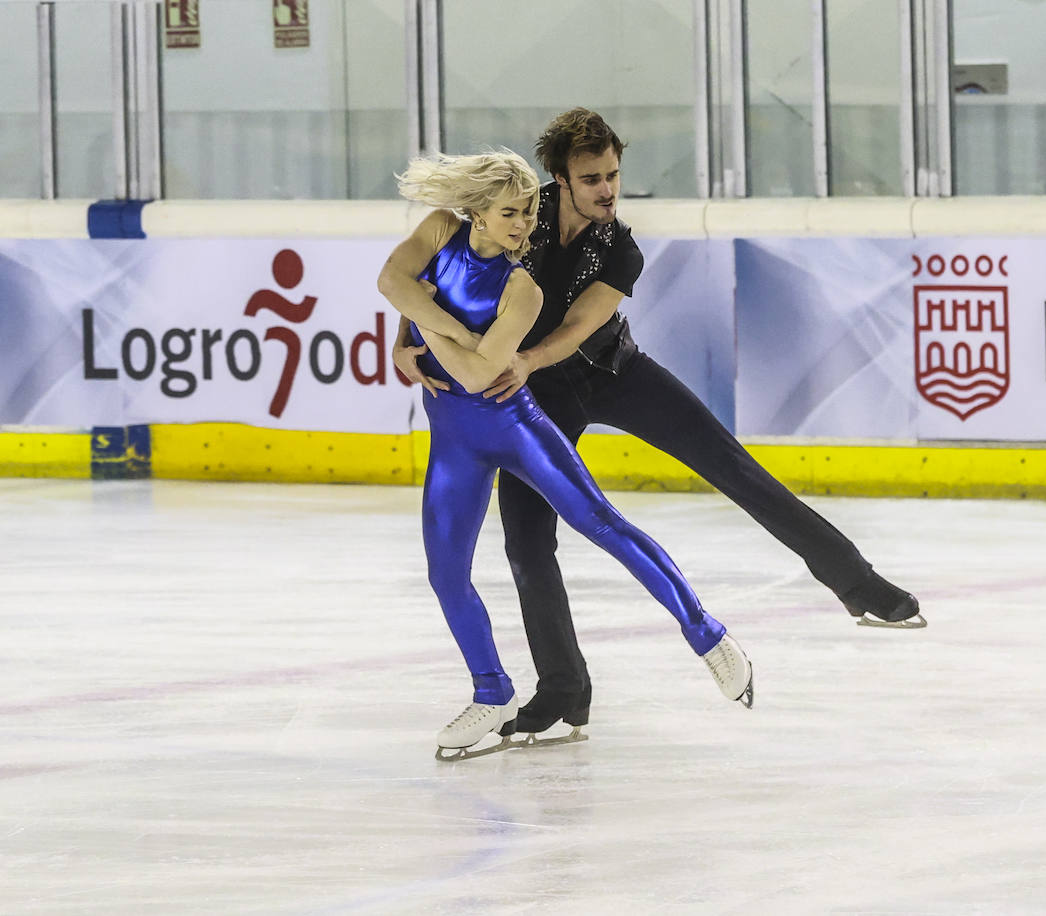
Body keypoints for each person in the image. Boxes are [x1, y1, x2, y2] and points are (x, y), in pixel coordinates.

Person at [394, 109, 924, 740]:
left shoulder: (619, 247)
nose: (607, 189)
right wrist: (406, 340)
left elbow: (577, 329)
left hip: (610, 369)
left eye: (613, 175)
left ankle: (856, 583)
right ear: (558, 178)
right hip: (531, 398)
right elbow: (435, 281)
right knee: (527, 541)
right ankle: (564, 688)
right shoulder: (513, 216)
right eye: (591, 178)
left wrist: (525, 358)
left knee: (729, 463)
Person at [376, 149, 754, 760]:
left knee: (602, 524)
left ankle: (708, 636)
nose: (525, 224)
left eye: (528, 213)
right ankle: (491, 690)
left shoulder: (522, 290)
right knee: (445, 574)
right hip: (454, 443)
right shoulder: (439, 229)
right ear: (476, 211)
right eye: (510, 213)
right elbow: (390, 282)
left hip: (515, 426)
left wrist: (425, 321)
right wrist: (417, 331)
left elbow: (476, 376)